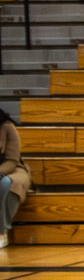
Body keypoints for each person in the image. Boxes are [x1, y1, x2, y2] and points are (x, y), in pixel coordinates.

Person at [0, 106, 28, 248]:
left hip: (12, 170)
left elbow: (11, 161)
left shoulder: (7, 127)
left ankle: (1, 232)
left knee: (7, 183)